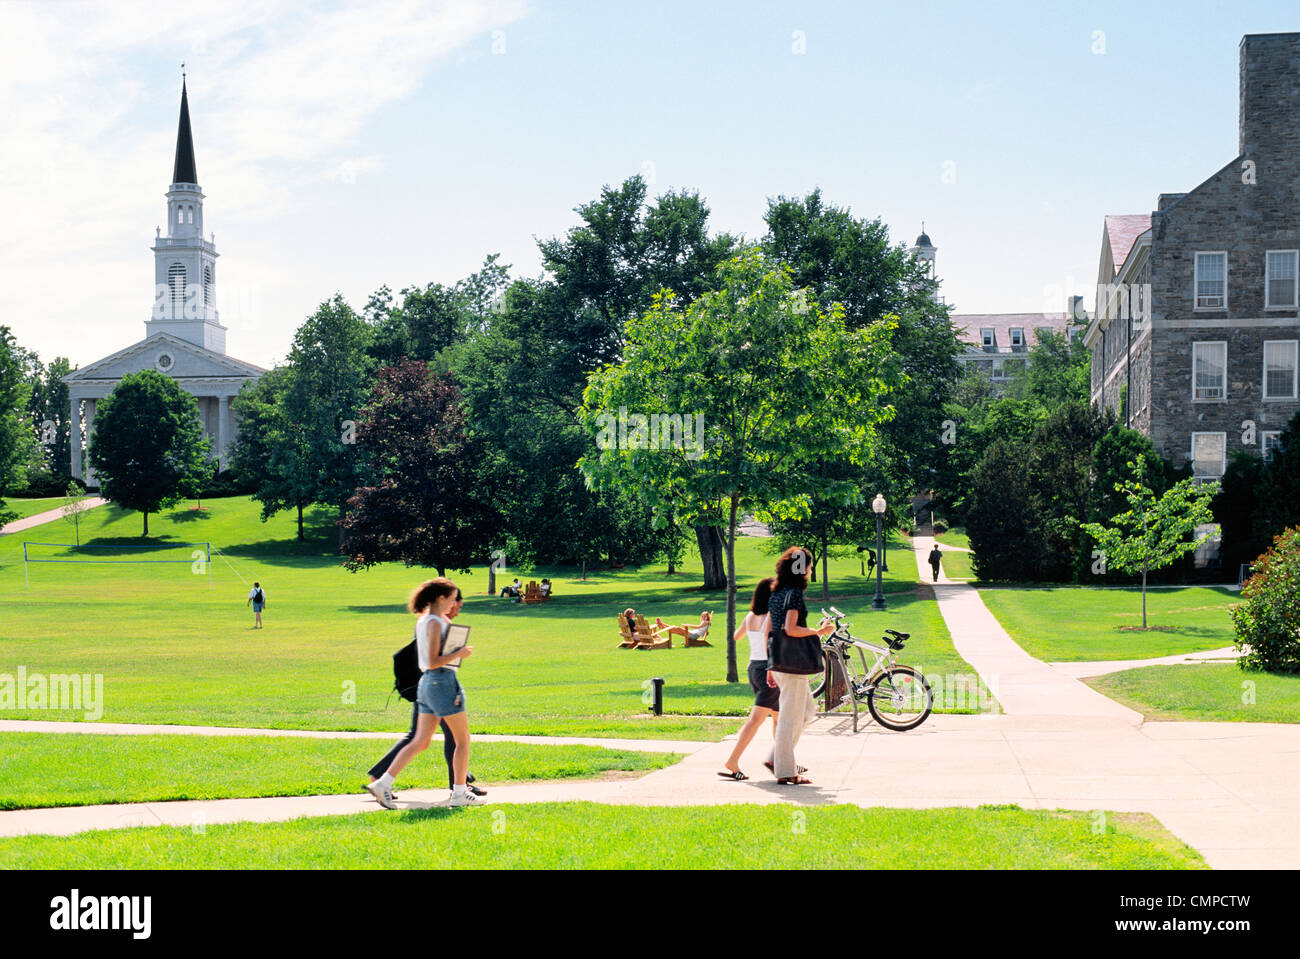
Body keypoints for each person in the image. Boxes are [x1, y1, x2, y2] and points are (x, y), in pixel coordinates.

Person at [366, 578, 483, 808]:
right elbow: (431, 661)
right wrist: (459, 653)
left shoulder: (426, 620)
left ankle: (383, 783)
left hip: (428, 685)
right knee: (462, 740)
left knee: (421, 740)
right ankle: (459, 792)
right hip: (441, 681)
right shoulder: (434, 622)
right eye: (451, 599)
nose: (454, 604)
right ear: (440, 598)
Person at [766, 547, 834, 785]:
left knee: (806, 712)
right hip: (792, 664)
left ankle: (776, 758)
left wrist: (769, 666)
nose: (810, 570)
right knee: (790, 718)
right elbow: (790, 629)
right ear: (801, 568)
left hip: (781, 662)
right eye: (809, 566)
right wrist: (819, 631)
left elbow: (772, 629)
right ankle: (785, 770)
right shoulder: (793, 593)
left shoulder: (777, 592)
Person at [718, 579, 778, 781]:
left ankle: (784, 760)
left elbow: (736, 636)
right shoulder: (770, 616)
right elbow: (770, 641)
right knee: (756, 720)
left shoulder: (750, 616)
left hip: (753, 667)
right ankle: (732, 761)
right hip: (767, 670)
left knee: (779, 717)